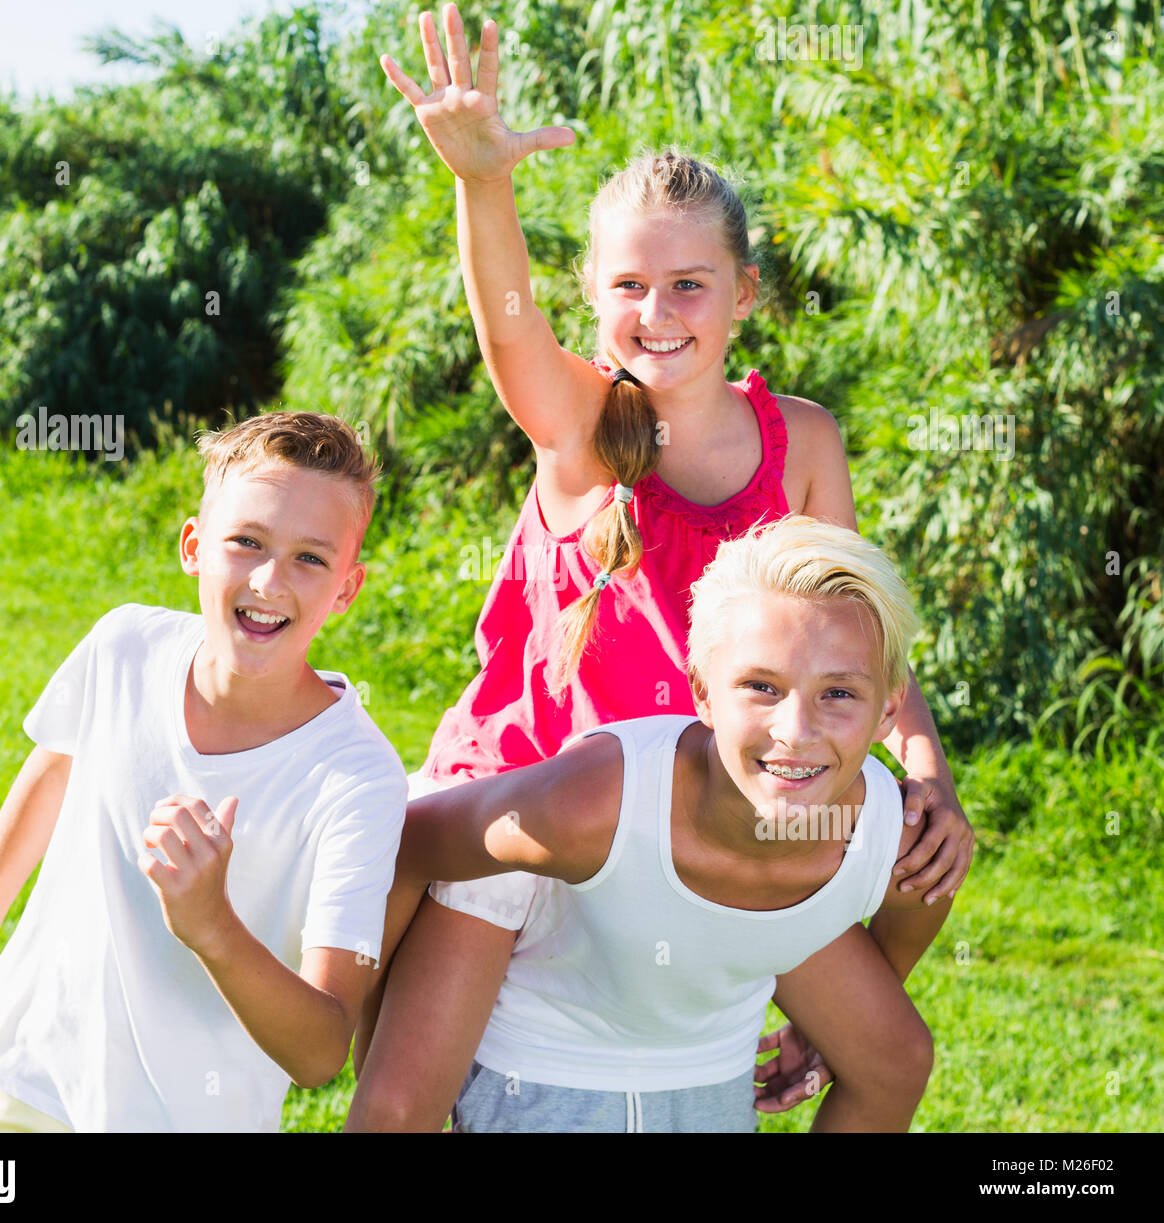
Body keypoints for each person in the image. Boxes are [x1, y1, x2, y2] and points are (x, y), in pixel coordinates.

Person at [348, 5, 973, 1131]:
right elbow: (505, 329)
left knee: (894, 1044)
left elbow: (851, 631)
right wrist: (483, 185)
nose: (658, 311)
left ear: (742, 293)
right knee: (396, 1104)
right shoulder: (582, 422)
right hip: (534, 797)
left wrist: (920, 758)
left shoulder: (804, 441)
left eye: (689, 283)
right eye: (629, 285)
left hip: (717, 799)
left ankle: (789, 1026)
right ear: (592, 291)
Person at [368, 516, 948, 1132]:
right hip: (544, 1073)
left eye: (838, 694)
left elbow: (917, 917)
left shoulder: (895, 844)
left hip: (709, 1080)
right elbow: (410, 840)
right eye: (760, 687)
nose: (795, 733)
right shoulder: (588, 807)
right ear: (701, 693)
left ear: (889, 709)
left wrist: (825, 1024)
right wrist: (370, 1022)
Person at [0, 412, 407, 1132]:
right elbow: (60, 764)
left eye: (309, 558)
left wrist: (211, 924)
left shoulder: (357, 779)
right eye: (246, 541)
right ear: (194, 545)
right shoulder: (124, 645)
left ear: (348, 588)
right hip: (30, 1075)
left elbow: (320, 1050)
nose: (268, 579)